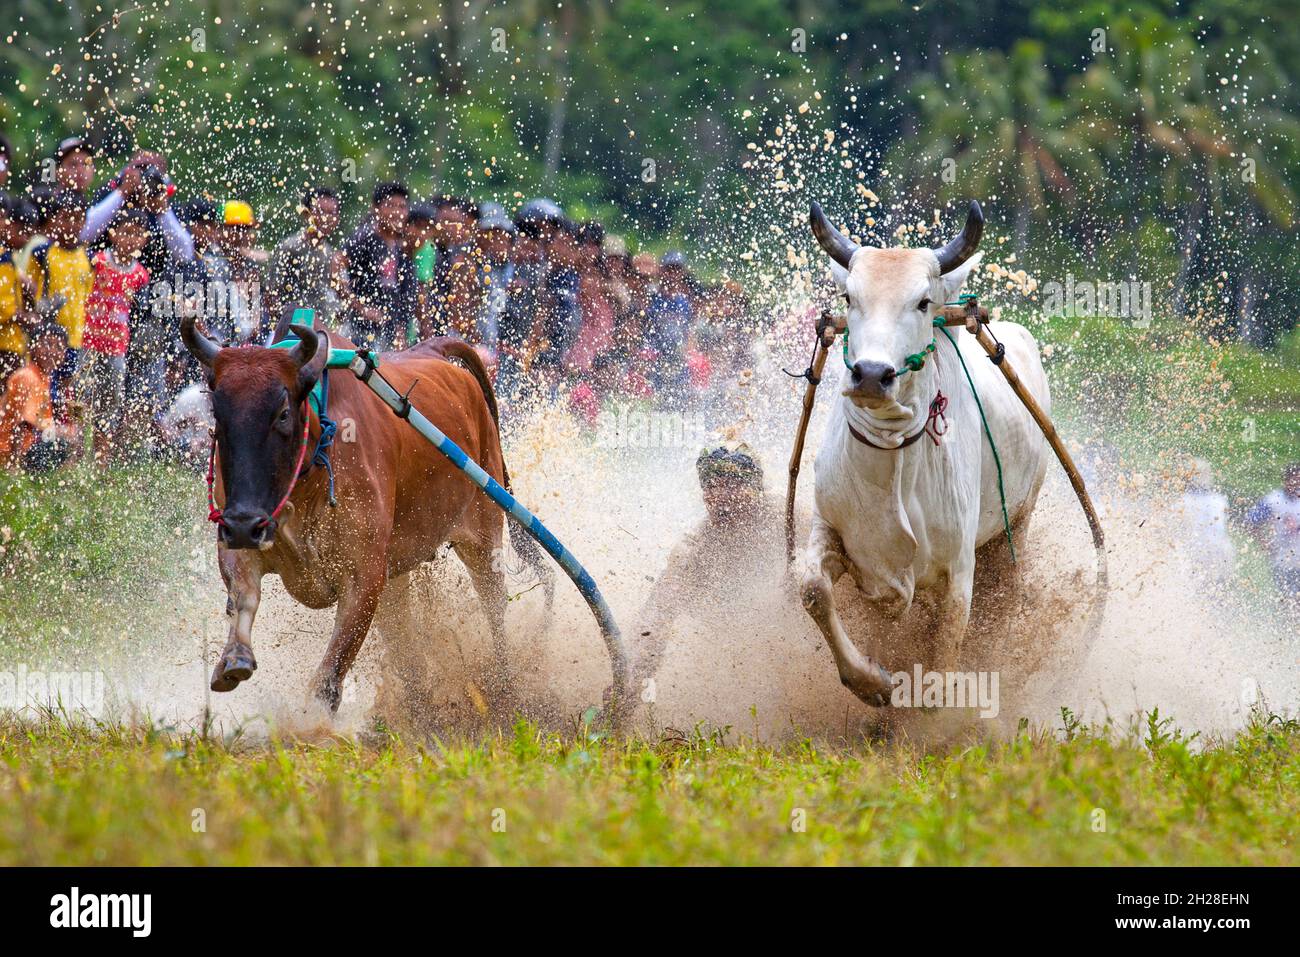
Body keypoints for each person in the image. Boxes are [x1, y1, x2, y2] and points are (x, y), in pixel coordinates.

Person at [630, 442, 787, 686]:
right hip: (731, 653)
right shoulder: (694, 550)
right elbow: (654, 620)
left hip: (783, 634)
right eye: (712, 486)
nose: (722, 497)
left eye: (734, 485)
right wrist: (632, 678)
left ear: (756, 489)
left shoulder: (784, 516)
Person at [76, 209, 151, 463]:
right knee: (81, 396)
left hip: (117, 344)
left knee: (110, 400)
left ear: (144, 240)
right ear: (112, 234)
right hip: (89, 340)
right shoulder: (97, 262)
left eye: (137, 234)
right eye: (125, 232)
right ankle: (75, 453)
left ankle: (101, 458)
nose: (130, 239)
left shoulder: (140, 275)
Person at [27, 188, 93, 418]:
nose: (71, 224)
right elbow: (28, 289)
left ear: (85, 220)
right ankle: (41, 439)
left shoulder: (89, 257)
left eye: (77, 218)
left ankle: (69, 443)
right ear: (55, 219)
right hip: (48, 339)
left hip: (75, 339)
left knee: (68, 394)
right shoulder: (43, 254)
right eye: (65, 218)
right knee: (45, 389)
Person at [342, 181, 413, 349]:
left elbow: (403, 298)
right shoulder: (363, 239)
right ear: (375, 208)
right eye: (390, 206)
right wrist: (360, 307)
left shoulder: (401, 249)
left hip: (388, 335)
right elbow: (335, 271)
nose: (397, 212)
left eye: (402, 207)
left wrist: (400, 333)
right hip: (358, 333)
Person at [0, 323, 80, 471]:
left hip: (24, 447)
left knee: (68, 433)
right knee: (63, 440)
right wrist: (13, 466)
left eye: (59, 347)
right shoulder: (28, 377)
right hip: (10, 452)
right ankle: (20, 470)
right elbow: (21, 425)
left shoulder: (43, 377)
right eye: (47, 344)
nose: (52, 351)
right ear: (32, 347)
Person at [266, 186, 343, 332]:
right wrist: (281, 324)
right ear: (306, 214)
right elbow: (271, 293)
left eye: (331, 213)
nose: (326, 218)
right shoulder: (290, 247)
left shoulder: (330, 253)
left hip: (323, 329)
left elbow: (337, 296)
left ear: (337, 219)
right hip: (293, 327)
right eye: (320, 212)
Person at [1244, 463, 1300, 606]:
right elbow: (1250, 521)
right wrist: (1264, 543)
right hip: (1282, 560)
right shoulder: (1273, 500)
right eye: (1293, 480)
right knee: (1288, 601)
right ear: (1286, 480)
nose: (1296, 484)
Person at [644, 250, 694, 405]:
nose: (673, 274)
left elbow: (688, 333)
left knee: (680, 403)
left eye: (677, 270)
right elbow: (644, 329)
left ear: (682, 272)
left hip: (678, 360)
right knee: (655, 402)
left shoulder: (684, 304)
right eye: (669, 269)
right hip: (655, 359)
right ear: (662, 271)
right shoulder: (651, 298)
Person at [220, 200, 267, 342]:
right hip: (220, 337)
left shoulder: (253, 264)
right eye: (233, 228)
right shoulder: (210, 261)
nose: (240, 234)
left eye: (244, 229)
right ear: (220, 229)